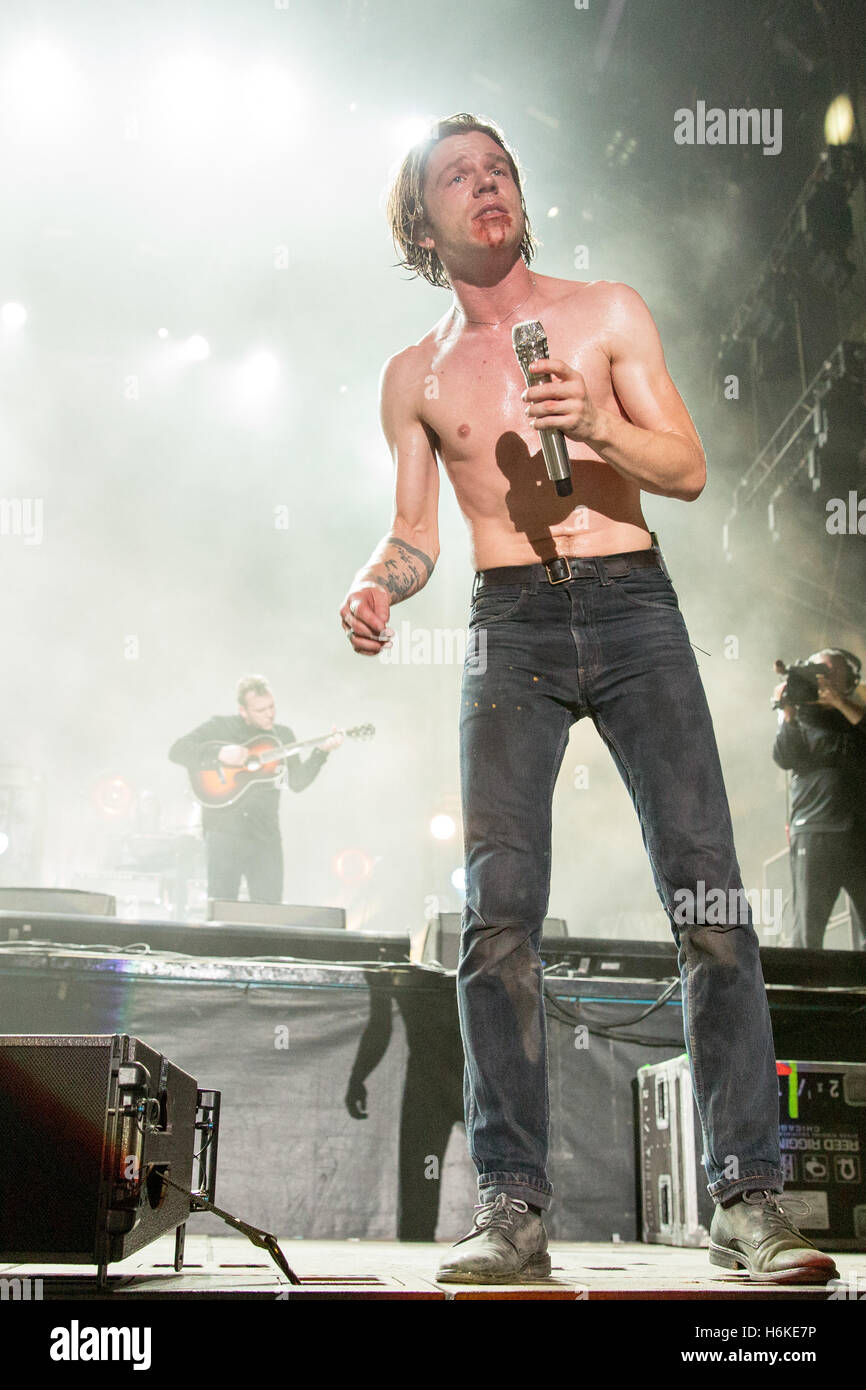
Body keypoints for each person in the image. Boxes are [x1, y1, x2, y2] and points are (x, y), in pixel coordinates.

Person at [340, 112, 836, 1286]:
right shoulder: (413, 375)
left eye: (499, 168)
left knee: (709, 897)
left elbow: (688, 469)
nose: (486, 186)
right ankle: (510, 1207)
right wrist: (376, 584)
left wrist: (597, 421)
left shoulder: (605, 310)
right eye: (458, 176)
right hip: (507, 626)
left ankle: (746, 1198)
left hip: (630, 605)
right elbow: (415, 531)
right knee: (497, 920)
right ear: (422, 218)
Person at [169, 674, 341, 903]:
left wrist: (322, 752)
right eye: (261, 710)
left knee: (269, 908)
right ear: (243, 711)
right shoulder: (220, 727)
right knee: (222, 906)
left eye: (271, 707)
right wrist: (218, 754)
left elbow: (297, 783)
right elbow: (177, 750)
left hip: (265, 835)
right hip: (224, 831)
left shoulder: (282, 736)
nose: (270, 714)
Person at [773, 648, 866, 949]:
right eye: (819, 673)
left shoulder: (856, 714)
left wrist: (838, 701)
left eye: (833, 673)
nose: (825, 679)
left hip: (859, 833)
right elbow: (785, 758)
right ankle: (808, 993)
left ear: (849, 679)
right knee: (808, 932)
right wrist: (787, 714)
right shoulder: (800, 717)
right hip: (814, 833)